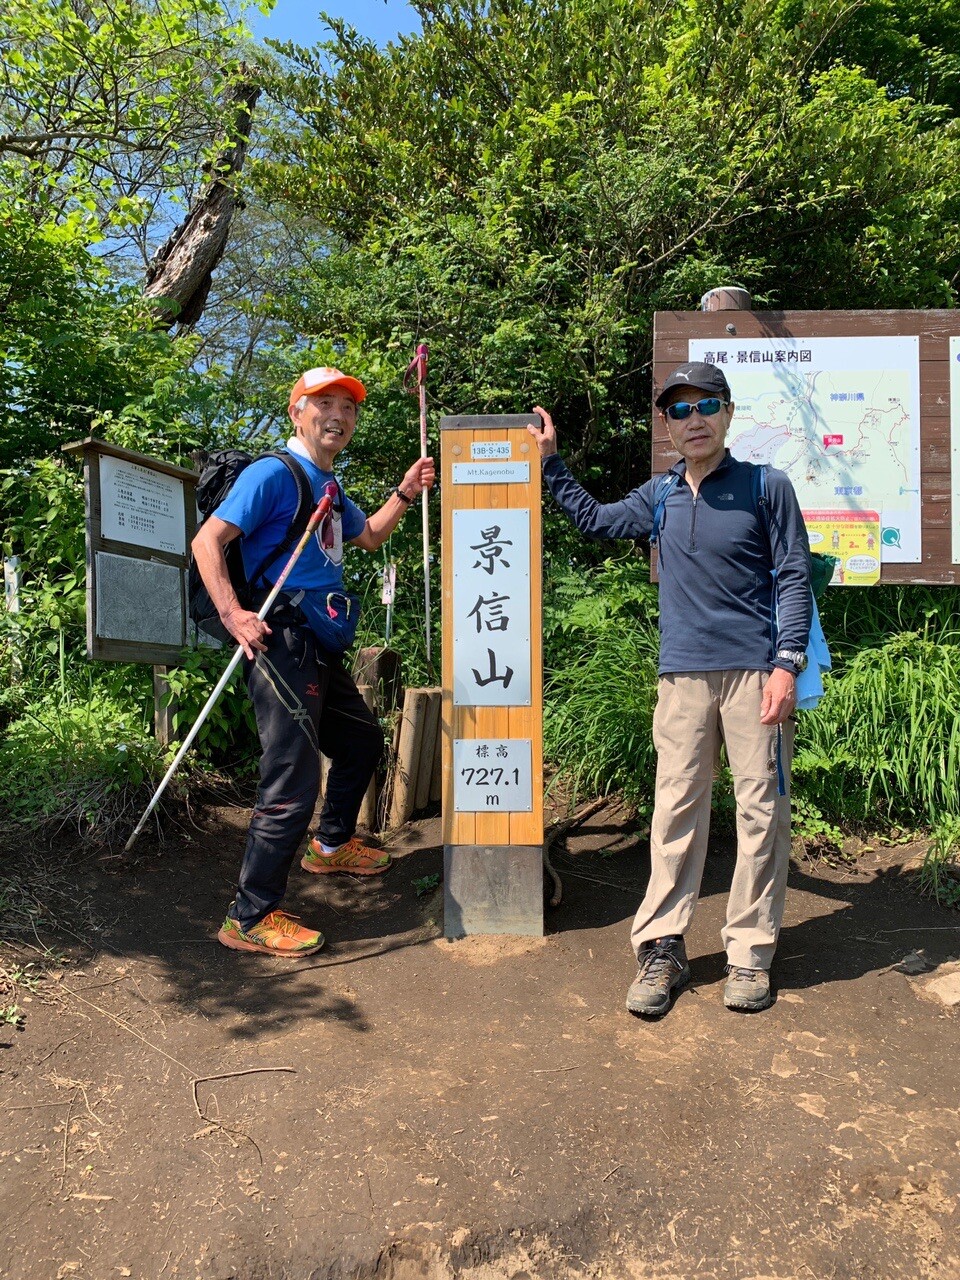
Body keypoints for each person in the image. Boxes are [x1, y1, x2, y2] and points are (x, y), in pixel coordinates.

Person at [528, 362, 811, 1014]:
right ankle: (661, 950)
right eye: (680, 410)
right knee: (675, 812)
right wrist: (551, 464)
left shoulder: (767, 488)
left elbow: (794, 575)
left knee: (760, 813)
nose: (694, 419)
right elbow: (596, 521)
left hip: (754, 675)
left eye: (706, 405)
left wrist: (787, 664)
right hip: (681, 677)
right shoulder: (659, 495)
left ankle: (749, 954)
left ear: (728, 413)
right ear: (667, 425)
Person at [192, 366, 435, 957]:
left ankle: (329, 849)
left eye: (347, 407)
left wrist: (405, 491)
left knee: (359, 744)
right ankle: (250, 916)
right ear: (297, 412)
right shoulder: (275, 473)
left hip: (320, 645)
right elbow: (208, 541)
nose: (338, 414)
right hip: (282, 644)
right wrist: (232, 614)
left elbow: (370, 537)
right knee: (291, 781)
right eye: (323, 402)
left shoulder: (330, 485)